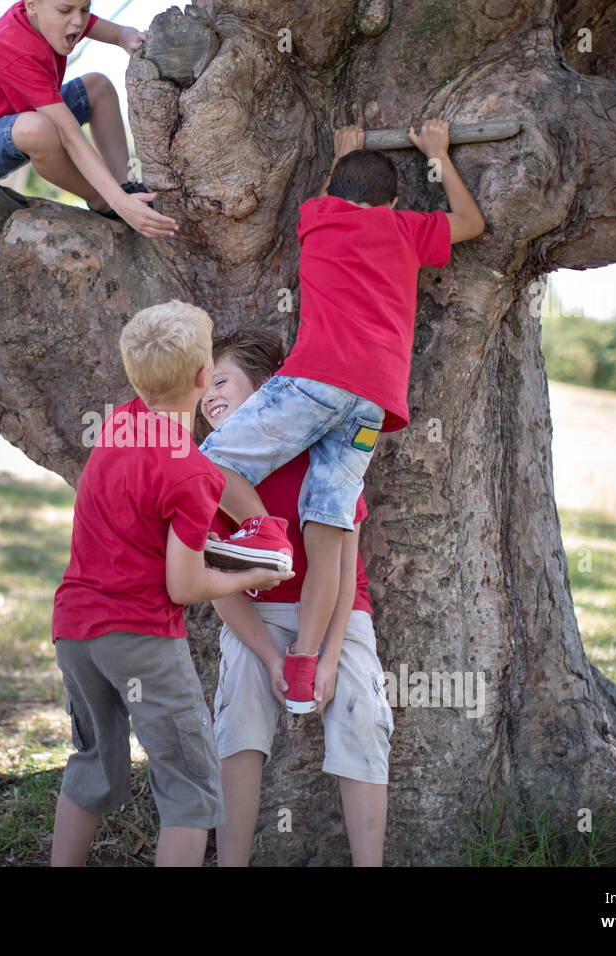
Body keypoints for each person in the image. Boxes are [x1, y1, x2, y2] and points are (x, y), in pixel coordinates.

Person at [199, 119, 485, 714]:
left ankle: (261, 534)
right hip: (373, 401)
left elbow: (337, 192)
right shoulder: (407, 229)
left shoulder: (317, 217)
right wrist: (438, 154)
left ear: (334, 189)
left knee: (207, 463)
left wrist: (343, 152)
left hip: (318, 380)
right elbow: (473, 223)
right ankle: (304, 664)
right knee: (328, 524)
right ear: (395, 201)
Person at [50, 301, 292, 867]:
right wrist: (257, 570)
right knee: (190, 789)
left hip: (74, 631)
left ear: (135, 378)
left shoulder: (121, 421)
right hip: (141, 638)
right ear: (204, 377)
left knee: (94, 762)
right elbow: (183, 586)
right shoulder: (190, 470)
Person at [199, 329, 392, 866]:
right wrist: (269, 655)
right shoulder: (209, 471)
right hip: (255, 615)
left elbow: (344, 567)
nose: (208, 397)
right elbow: (215, 582)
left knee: (363, 719)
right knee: (237, 717)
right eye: (202, 391)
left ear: (267, 390)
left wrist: (324, 658)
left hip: (336, 615)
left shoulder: (322, 452)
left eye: (221, 381)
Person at [0, 0, 177, 239]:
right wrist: (117, 202)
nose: (77, 21)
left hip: (6, 121)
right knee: (39, 129)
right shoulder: (15, 49)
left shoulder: (49, 15)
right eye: (66, 10)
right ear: (32, 5)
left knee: (97, 87)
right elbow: (70, 137)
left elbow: (112, 31)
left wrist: (126, 36)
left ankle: (129, 190)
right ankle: (105, 201)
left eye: (84, 9)